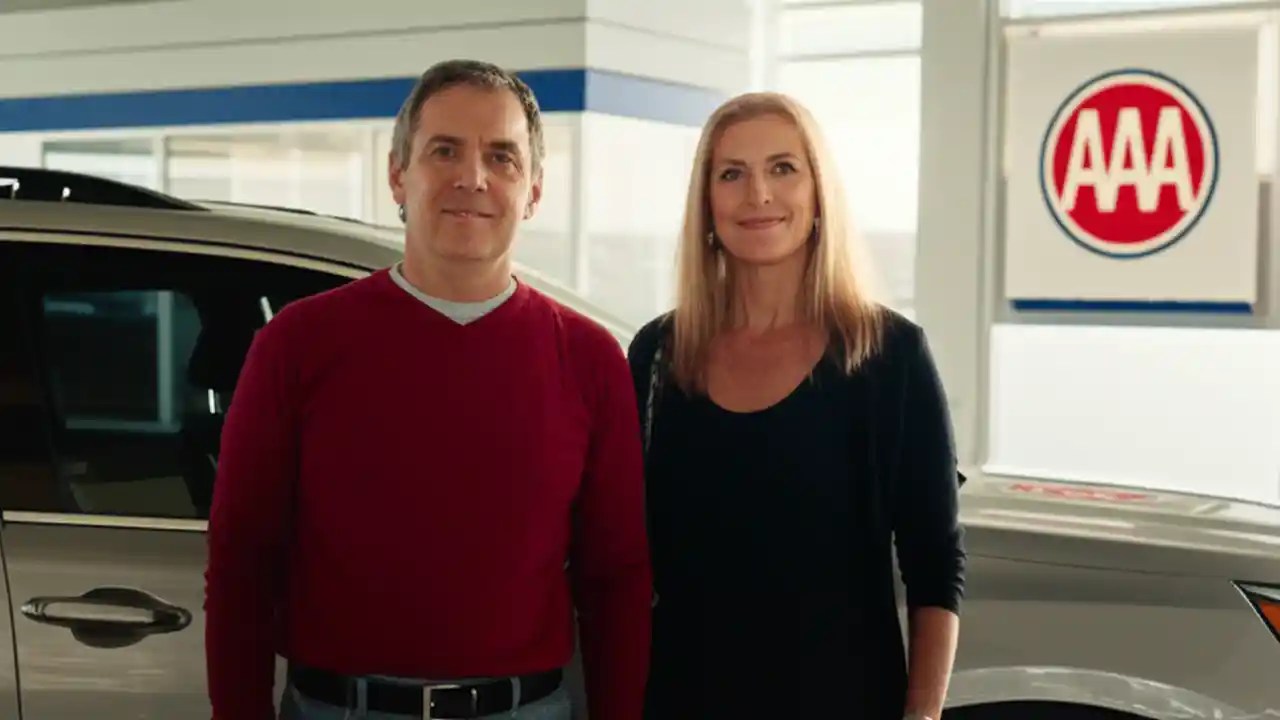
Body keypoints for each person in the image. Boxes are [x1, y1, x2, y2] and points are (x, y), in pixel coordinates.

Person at [204, 59, 653, 720]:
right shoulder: (298, 345)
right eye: (445, 150)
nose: (472, 177)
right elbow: (242, 566)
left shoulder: (589, 359)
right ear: (397, 175)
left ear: (532, 189)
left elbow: (615, 582)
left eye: (502, 156)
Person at [628, 92, 966, 719]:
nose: (758, 194)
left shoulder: (889, 356)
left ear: (818, 195)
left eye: (782, 168)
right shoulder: (656, 356)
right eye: (732, 173)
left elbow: (935, 564)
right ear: (706, 204)